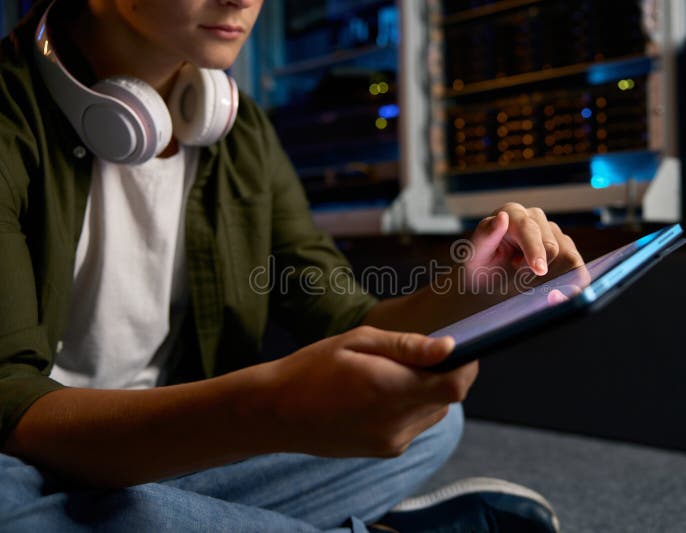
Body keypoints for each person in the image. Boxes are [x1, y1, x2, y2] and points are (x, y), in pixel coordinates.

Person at [0, 0, 583, 530]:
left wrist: (472, 288)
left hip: (173, 450)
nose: (242, 0)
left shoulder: (242, 133)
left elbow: (345, 318)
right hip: (32, 455)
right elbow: (13, 407)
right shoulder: (10, 112)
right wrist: (267, 409)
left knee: (431, 419)